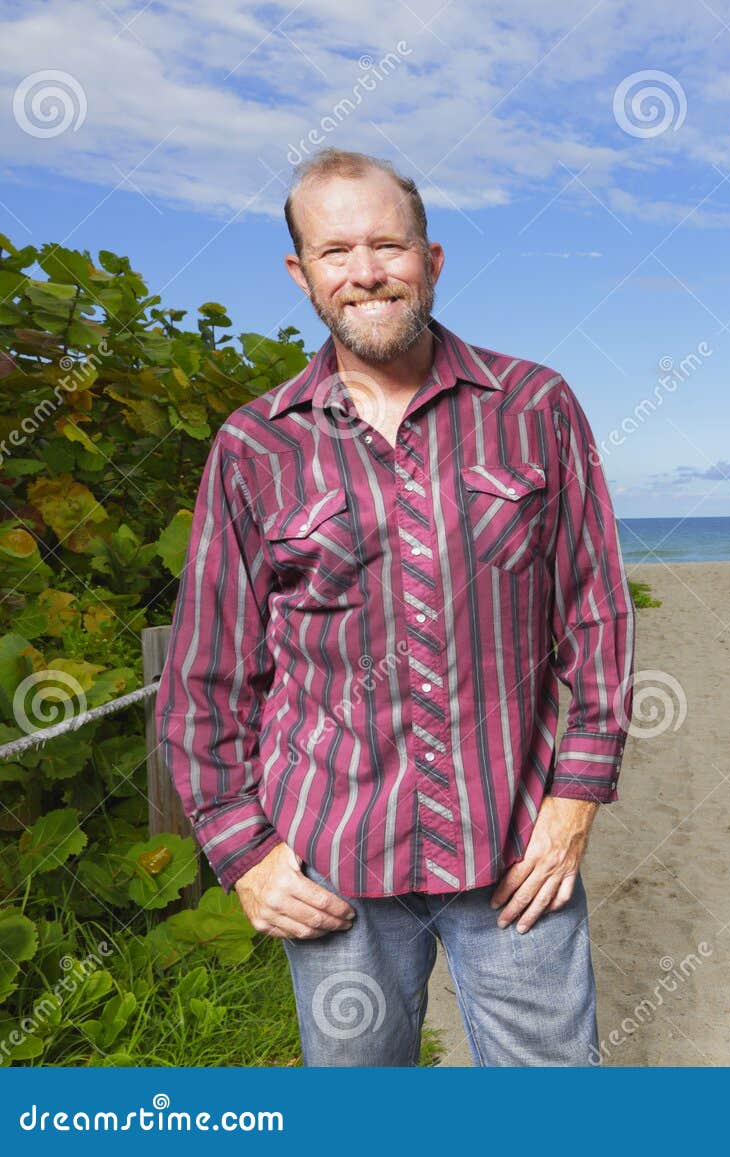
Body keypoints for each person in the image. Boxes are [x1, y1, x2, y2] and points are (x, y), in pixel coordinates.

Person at [153, 147, 636, 1066]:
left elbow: (598, 614)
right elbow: (207, 672)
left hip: (517, 848)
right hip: (334, 862)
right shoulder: (254, 447)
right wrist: (242, 848)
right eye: (336, 252)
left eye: (389, 244)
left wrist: (576, 795)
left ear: (433, 258)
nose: (366, 272)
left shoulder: (536, 405)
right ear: (301, 273)